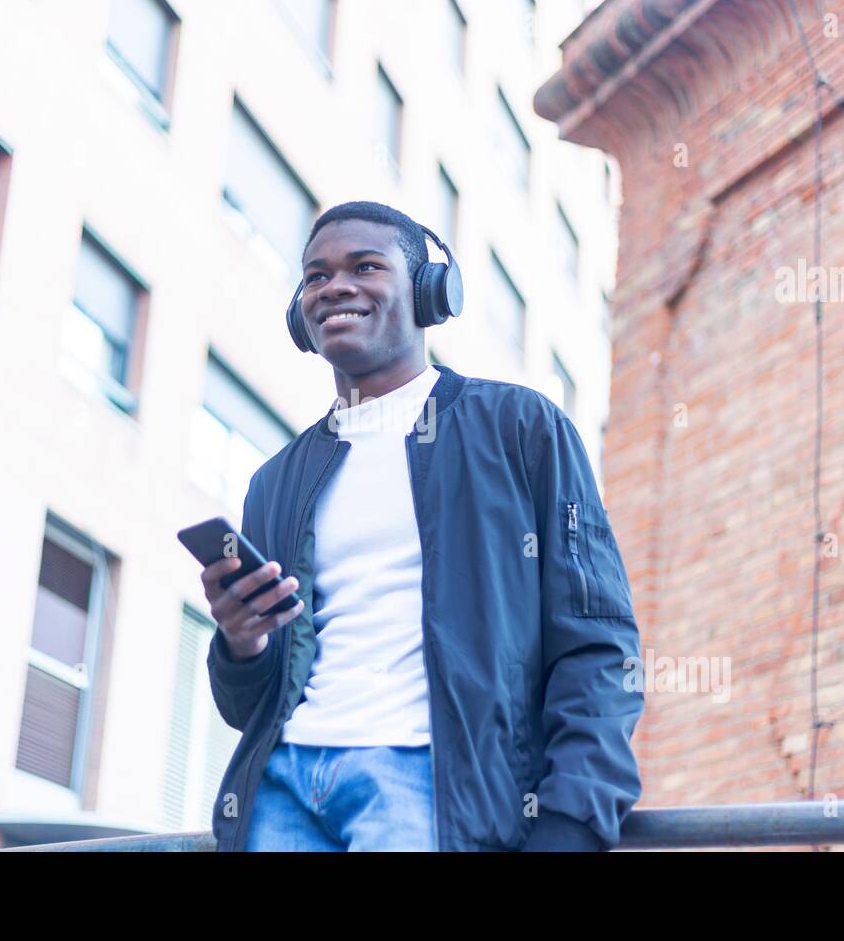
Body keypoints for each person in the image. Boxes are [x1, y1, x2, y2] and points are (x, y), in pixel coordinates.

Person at [200, 200, 643, 851]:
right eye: (316, 276)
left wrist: (572, 819)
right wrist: (243, 643)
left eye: (366, 266)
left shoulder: (520, 429)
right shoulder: (277, 480)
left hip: (428, 782)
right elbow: (249, 709)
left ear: (429, 294)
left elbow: (599, 644)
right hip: (284, 785)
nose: (335, 286)